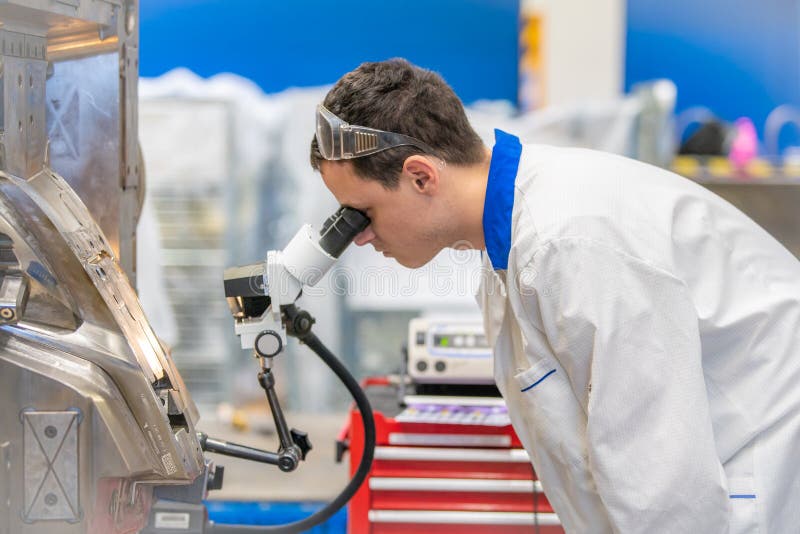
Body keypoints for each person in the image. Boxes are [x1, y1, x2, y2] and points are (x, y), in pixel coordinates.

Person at [309, 58, 800, 533]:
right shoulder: (512, 236)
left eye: (362, 211)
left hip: (759, 474)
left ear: (421, 176)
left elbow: (663, 484)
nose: (360, 237)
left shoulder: (571, 242)